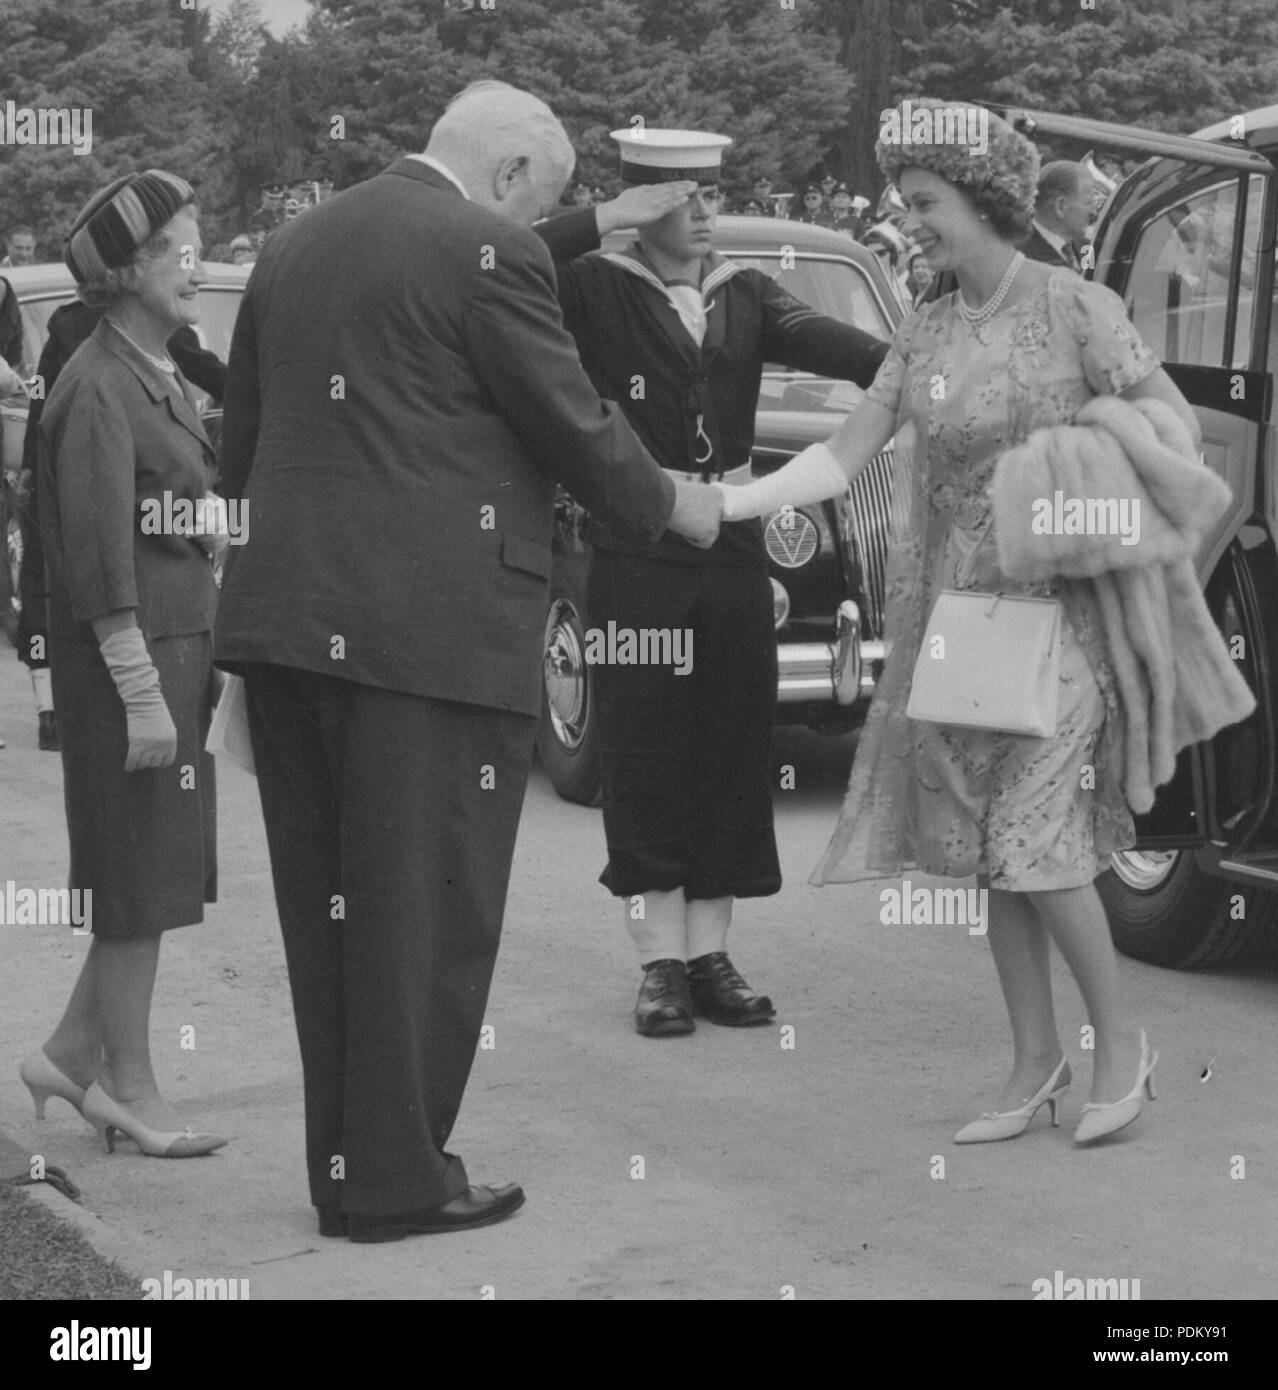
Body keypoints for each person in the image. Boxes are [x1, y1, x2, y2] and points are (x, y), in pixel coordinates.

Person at [213, 80, 723, 1243]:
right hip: (428, 640)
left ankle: (348, 1168)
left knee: (332, 916)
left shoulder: (296, 243)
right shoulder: (485, 249)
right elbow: (570, 416)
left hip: (291, 628)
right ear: (505, 182)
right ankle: (397, 1179)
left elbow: (240, 442)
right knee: (425, 913)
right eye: (539, 198)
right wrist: (674, 504)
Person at [711, 99, 1213, 1147]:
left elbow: (1174, 430)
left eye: (926, 203)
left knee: (1039, 844)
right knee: (991, 852)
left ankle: (1123, 1045)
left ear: (986, 201)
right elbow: (844, 454)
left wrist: (1088, 484)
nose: (913, 224)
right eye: (906, 204)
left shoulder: (1077, 307)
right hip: (963, 630)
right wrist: (725, 503)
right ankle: (1035, 1062)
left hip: (1066, 622)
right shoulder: (927, 327)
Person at [536, 129, 888, 1037]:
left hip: (731, 546)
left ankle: (709, 954)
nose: (701, 214)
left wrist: (926, 361)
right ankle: (656, 964)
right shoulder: (589, 284)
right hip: (637, 546)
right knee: (645, 747)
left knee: (731, 745)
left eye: (708, 195)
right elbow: (502, 257)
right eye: (680, 198)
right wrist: (605, 218)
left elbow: (844, 348)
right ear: (641, 204)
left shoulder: (746, 291)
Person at [20, 170, 227, 1159]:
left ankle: (67, 1053)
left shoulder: (151, 367)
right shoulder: (98, 384)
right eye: (181, 249)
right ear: (130, 270)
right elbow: (103, 563)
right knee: (134, 887)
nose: (199, 263)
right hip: (128, 676)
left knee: (145, 880)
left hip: (175, 663)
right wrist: (144, 697)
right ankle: (125, 1086)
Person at [15, 292, 226, 755]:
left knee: (39, 583)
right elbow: (126, 527)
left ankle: (45, 707)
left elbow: (38, 390)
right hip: (136, 621)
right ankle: (49, 704)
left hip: (162, 613)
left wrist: (31, 459)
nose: (198, 273)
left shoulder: (84, 333)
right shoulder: (115, 367)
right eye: (182, 254)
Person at [1025, 161, 1093, 273]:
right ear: (1060, 207)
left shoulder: (1087, 247)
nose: (1093, 212)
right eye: (1088, 203)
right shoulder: (1020, 255)